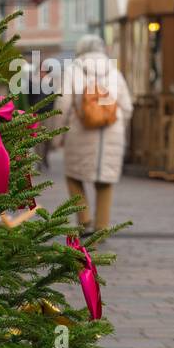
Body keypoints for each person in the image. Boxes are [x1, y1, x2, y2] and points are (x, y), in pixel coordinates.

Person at [57, 35, 133, 232]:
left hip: (79, 131)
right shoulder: (115, 72)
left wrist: (58, 136)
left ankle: (84, 219)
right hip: (112, 132)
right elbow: (127, 107)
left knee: (73, 175)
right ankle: (101, 227)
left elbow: (63, 104)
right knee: (105, 181)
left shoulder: (72, 70)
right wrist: (119, 128)